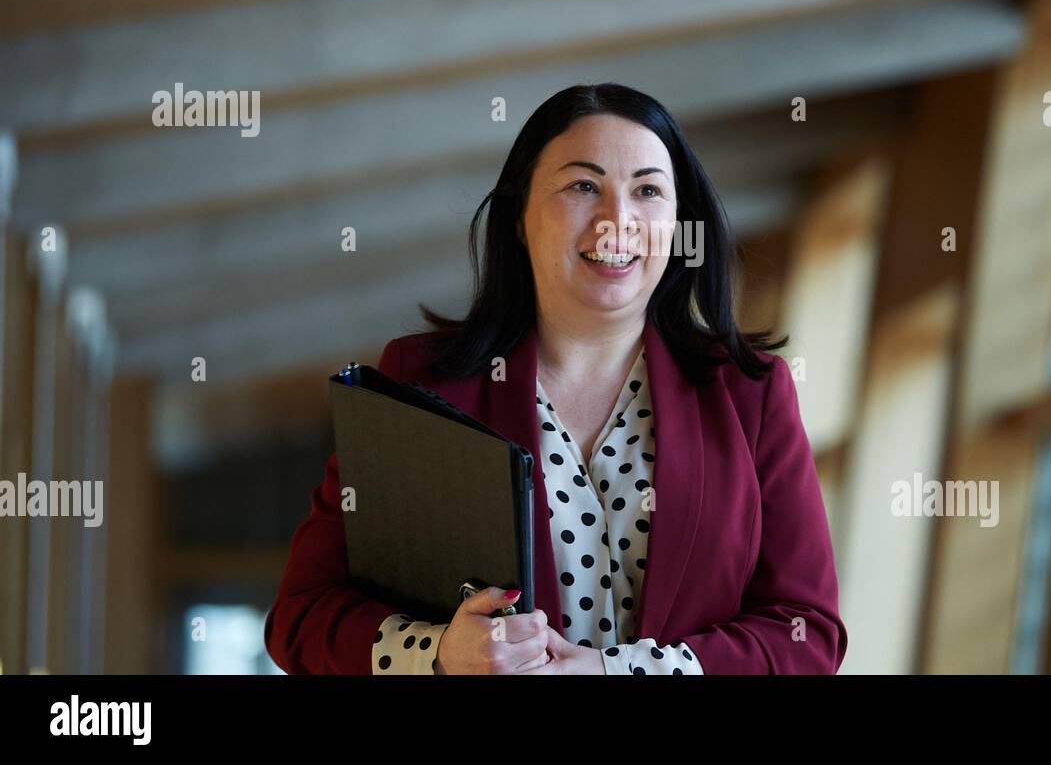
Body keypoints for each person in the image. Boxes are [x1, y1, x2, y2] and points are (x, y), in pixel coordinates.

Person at [264, 82, 847, 674]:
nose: (617, 219)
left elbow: (807, 634)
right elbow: (302, 616)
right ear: (519, 218)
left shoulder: (752, 395)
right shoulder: (422, 385)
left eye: (647, 190)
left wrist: (616, 671)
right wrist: (438, 653)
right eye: (582, 186)